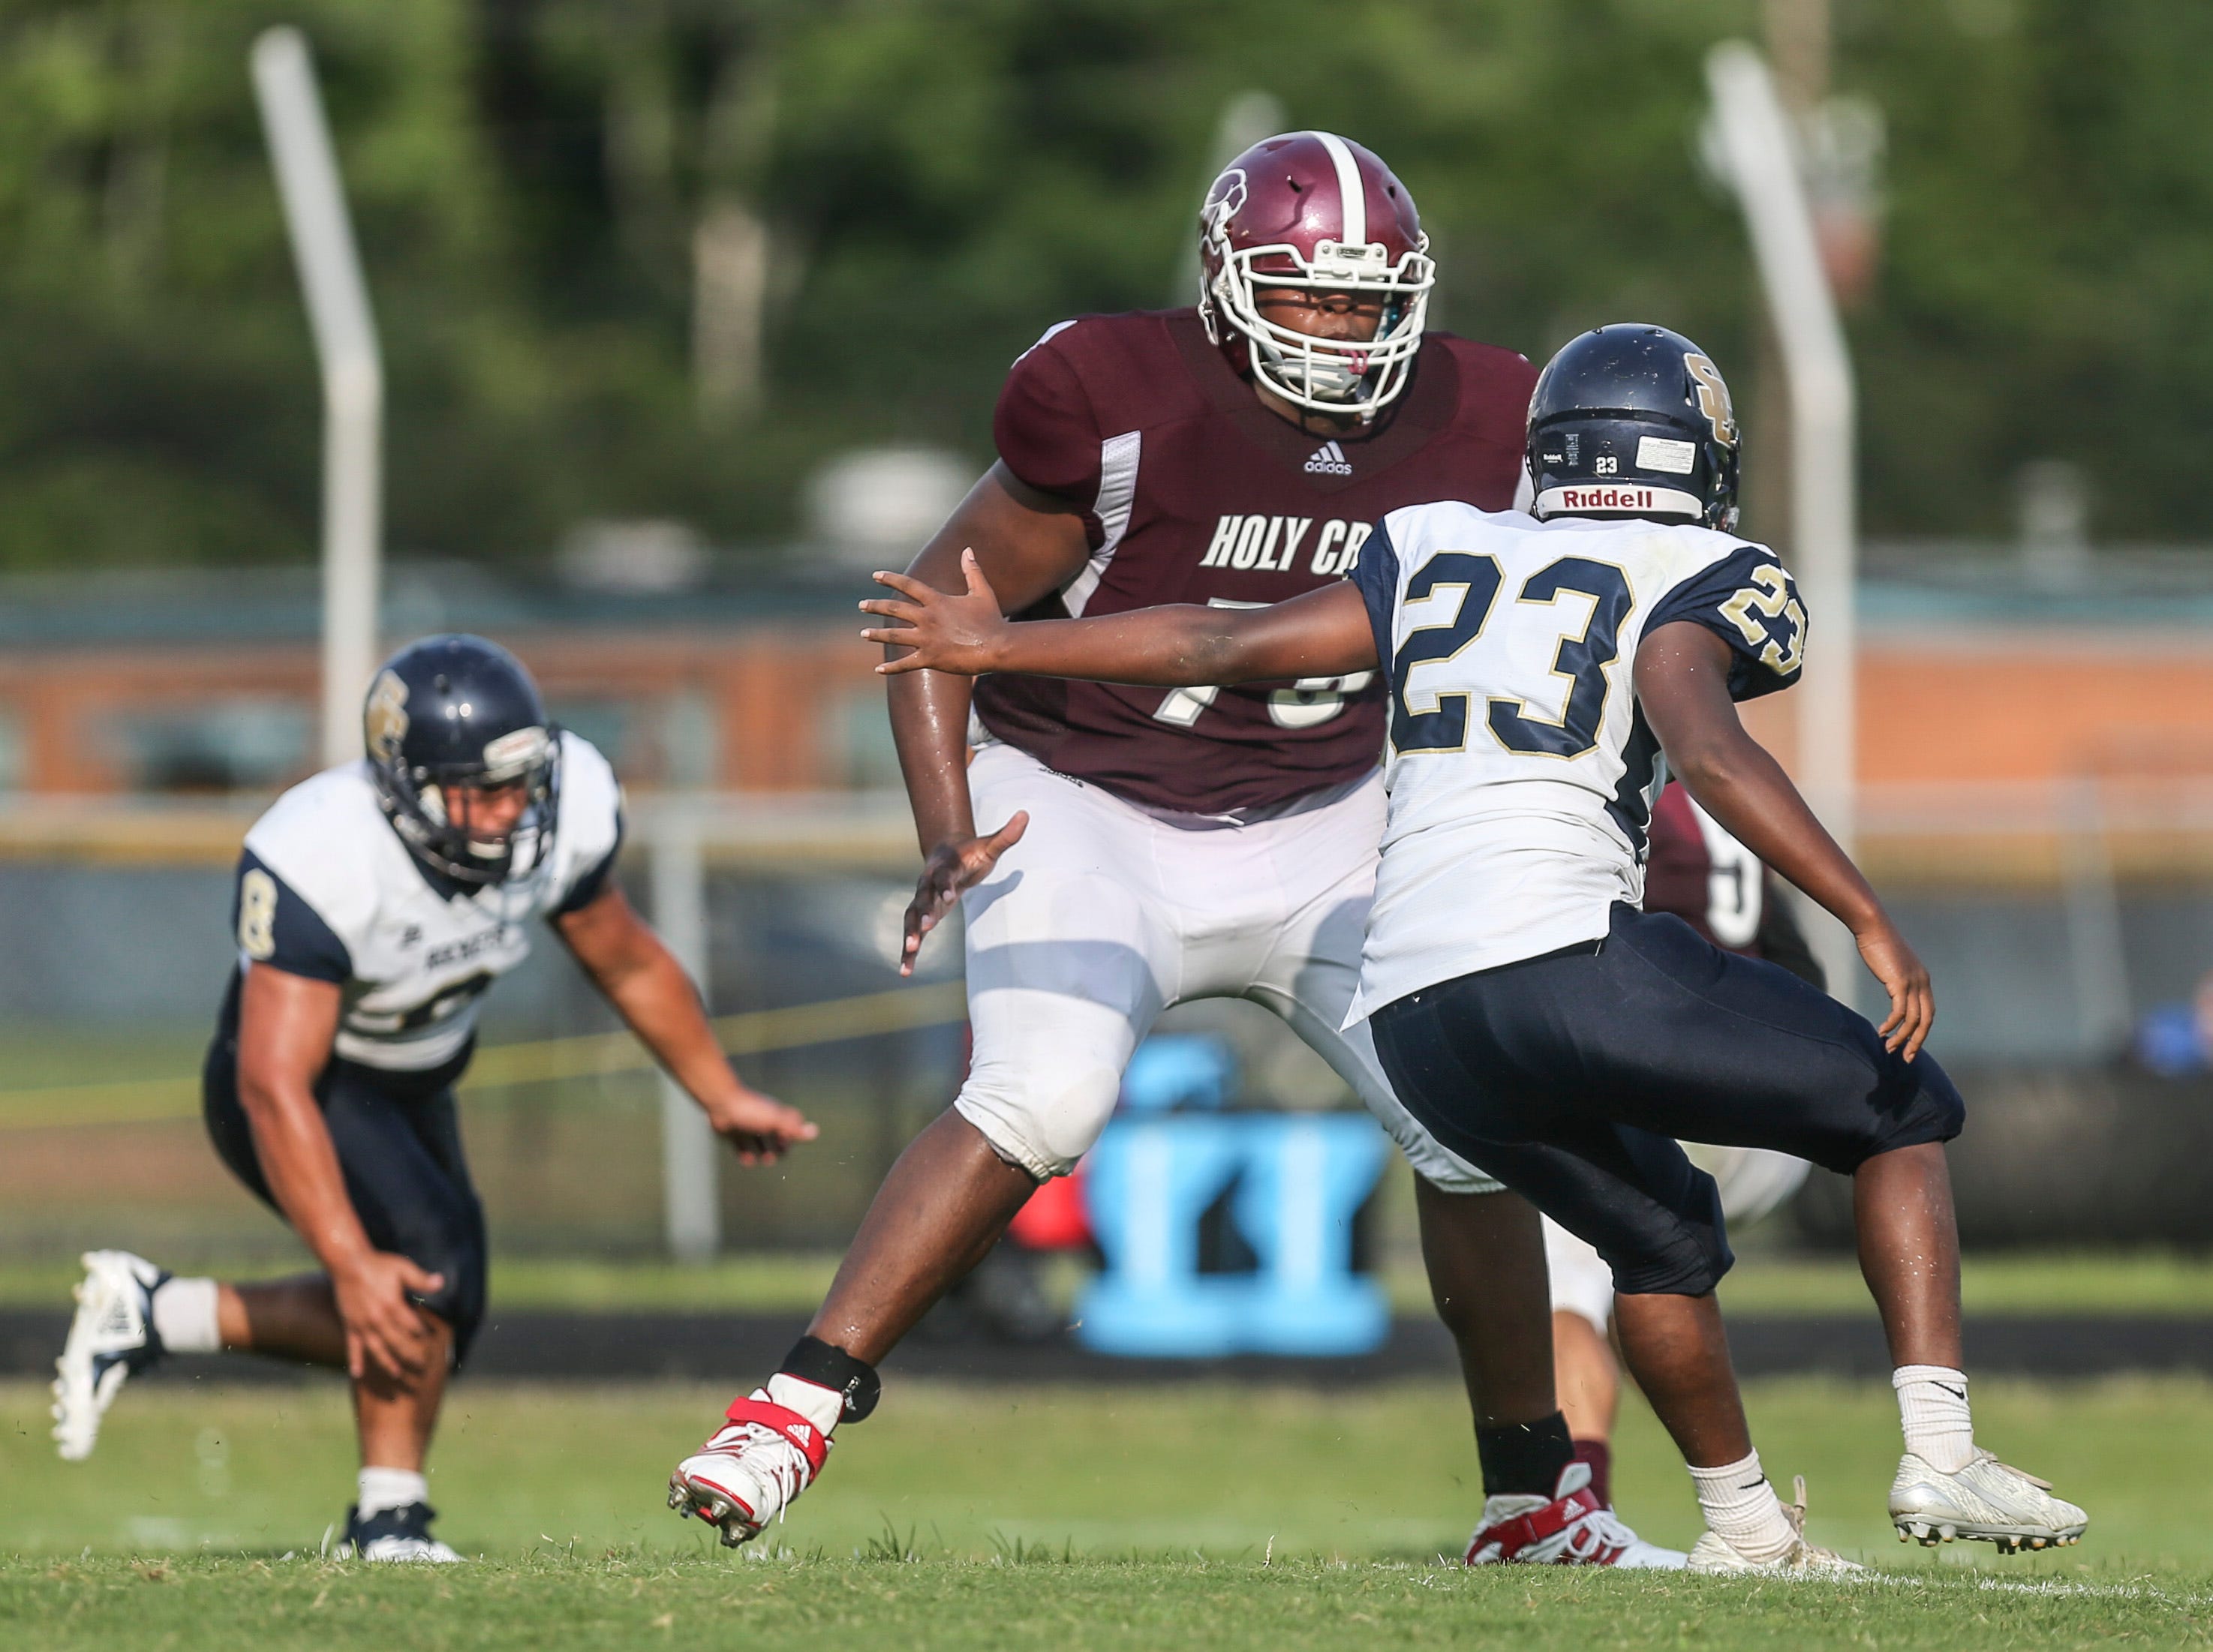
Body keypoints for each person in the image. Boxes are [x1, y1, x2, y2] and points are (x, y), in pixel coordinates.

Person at [861, 323, 2089, 1572]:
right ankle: (1940, 1451)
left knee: (1657, 1235)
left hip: (1411, 1013)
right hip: (1565, 954)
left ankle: (1745, 1531)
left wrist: (1000, 641)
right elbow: (1705, 745)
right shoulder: (1699, 566)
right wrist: (1863, 912)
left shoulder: (1435, 543)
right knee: (1897, 1108)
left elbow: (1219, 644)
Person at [671, 131, 1676, 1568]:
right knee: (1046, 1090)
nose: (1337, 326)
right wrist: (944, 829)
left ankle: (1530, 1501)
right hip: (1086, 794)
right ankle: (789, 1409)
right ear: (1224, 280)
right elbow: (929, 627)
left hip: (1332, 812)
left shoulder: (1486, 412)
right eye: (1307, 293)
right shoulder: (1110, 393)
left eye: (1363, 297)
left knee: (1475, 1115)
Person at [52, 635, 815, 1561]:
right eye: (479, 790)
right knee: (415, 1284)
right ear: (404, 784)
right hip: (304, 1087)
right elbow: (271, 1080)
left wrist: (720, 1092)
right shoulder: (323, 853)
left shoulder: (562, 805)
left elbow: (623, 956)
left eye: (520, 786)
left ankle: (164, 1318)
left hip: (420, 1073)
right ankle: (388, 1520)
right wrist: (344, 1258)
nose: (507, 814)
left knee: (444, 1300)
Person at [1546, 781, 1818, 1506]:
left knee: (1563, 1295)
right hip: (1764, 1126)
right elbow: (1802, 973)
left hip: (1662, 1089)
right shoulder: (1720, 795)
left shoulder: (1610, 787)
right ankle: (1740, 1496)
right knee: (1645, 1281)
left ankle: (1575, 1512)